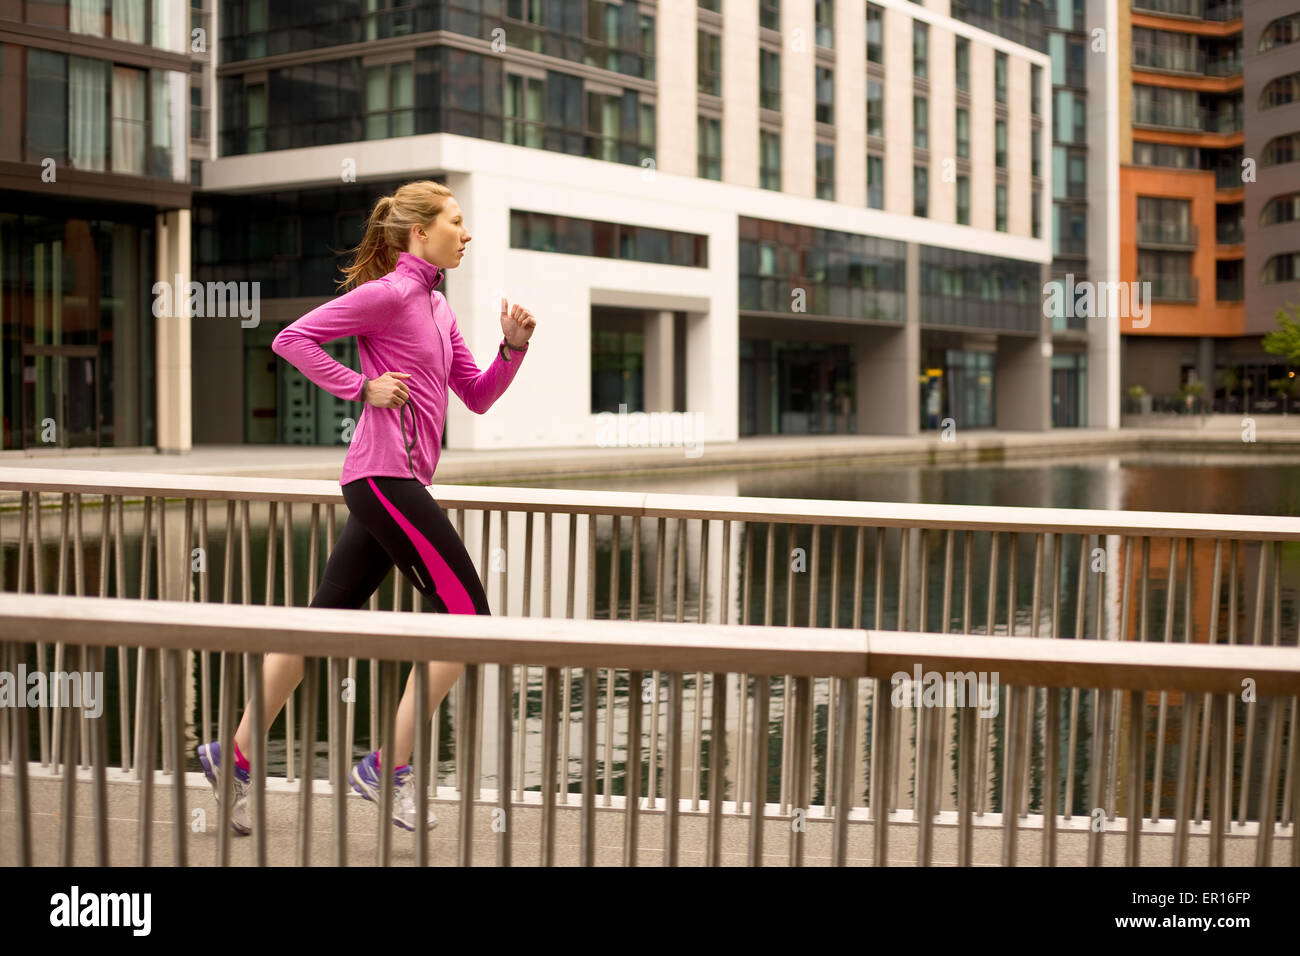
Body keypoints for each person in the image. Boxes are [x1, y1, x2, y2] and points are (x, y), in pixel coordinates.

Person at [197, 180, 536, 834]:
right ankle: (387, 768)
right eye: (456, 222)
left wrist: (512, 348)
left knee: (321, 626)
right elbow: (291, 340)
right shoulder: (385, 296)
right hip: (386, 479)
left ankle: (232, 755)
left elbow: (477, 395)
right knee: (469, 619)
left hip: (393, 482)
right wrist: (362, 387)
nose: (466, 234)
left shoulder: (437, 308)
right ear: (419, 233)